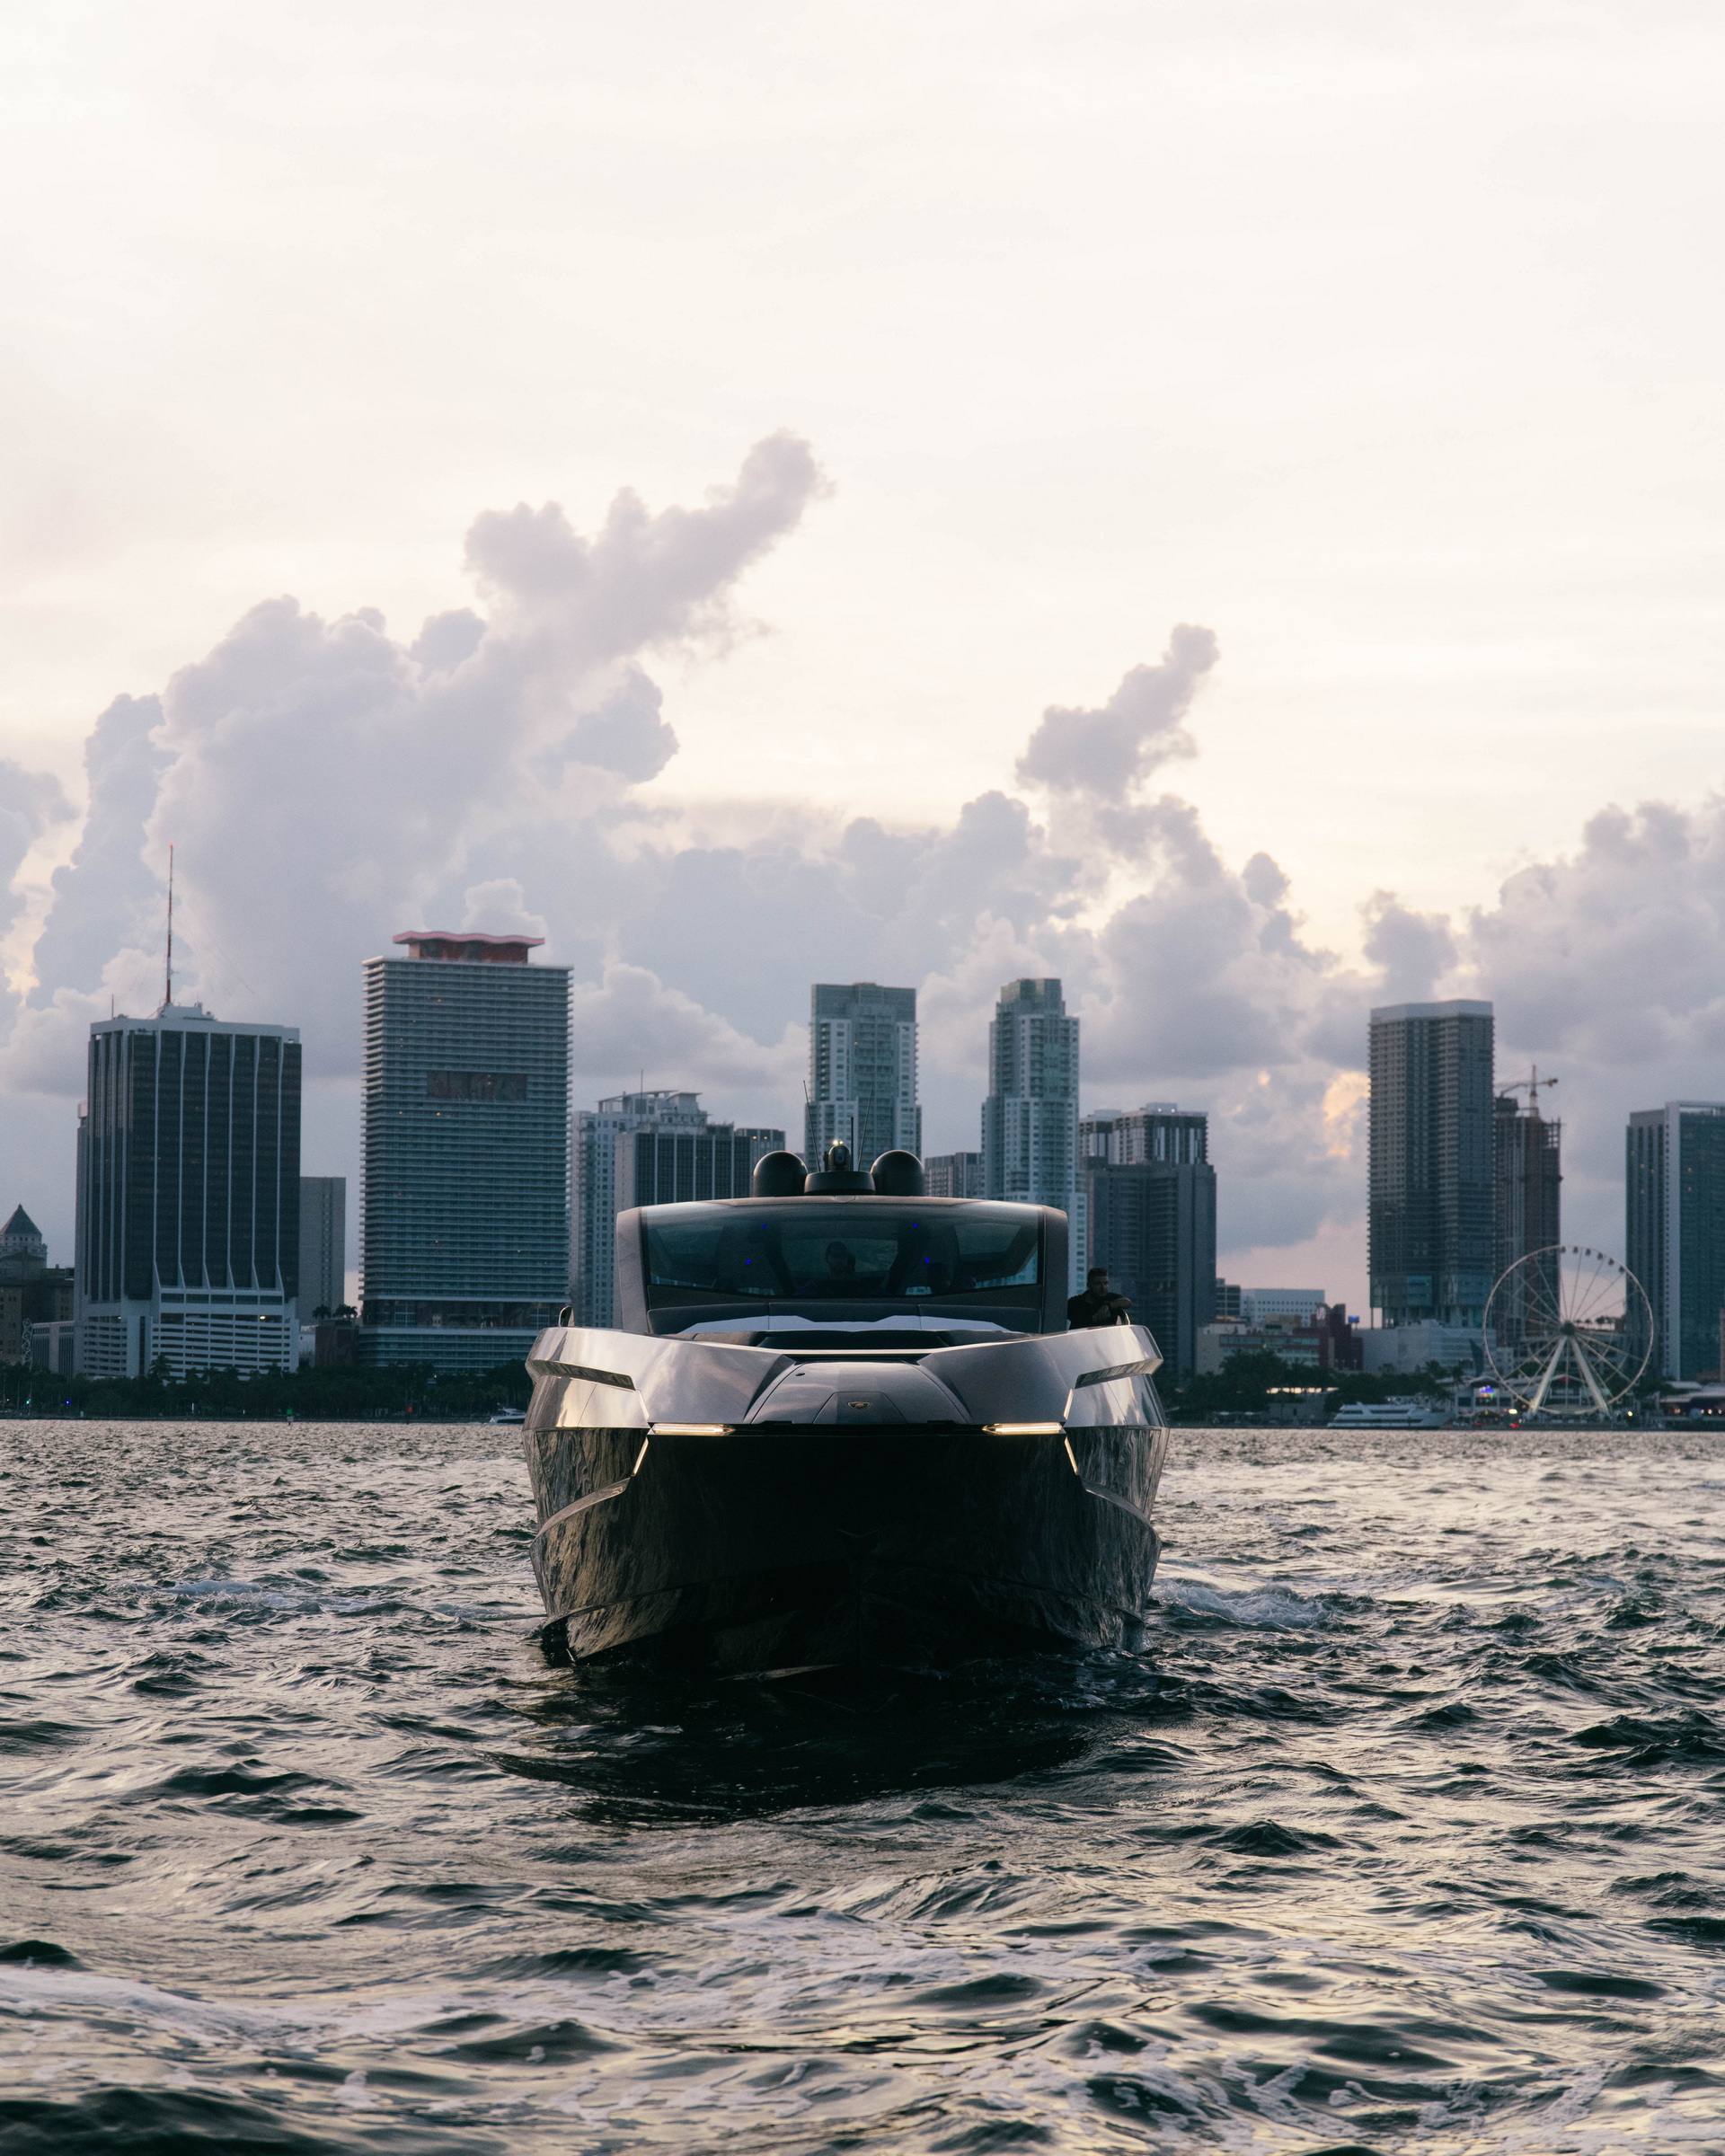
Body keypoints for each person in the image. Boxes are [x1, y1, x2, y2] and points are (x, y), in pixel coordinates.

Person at [1067, 1266, 1132, 1329]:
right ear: (1089, 1285)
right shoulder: (1076, 1303)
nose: (1103, 1287)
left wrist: (1108, 1306)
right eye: (1098, 1284)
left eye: (1105, 1283)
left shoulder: (1111, 1298)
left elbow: (1127, 1302)